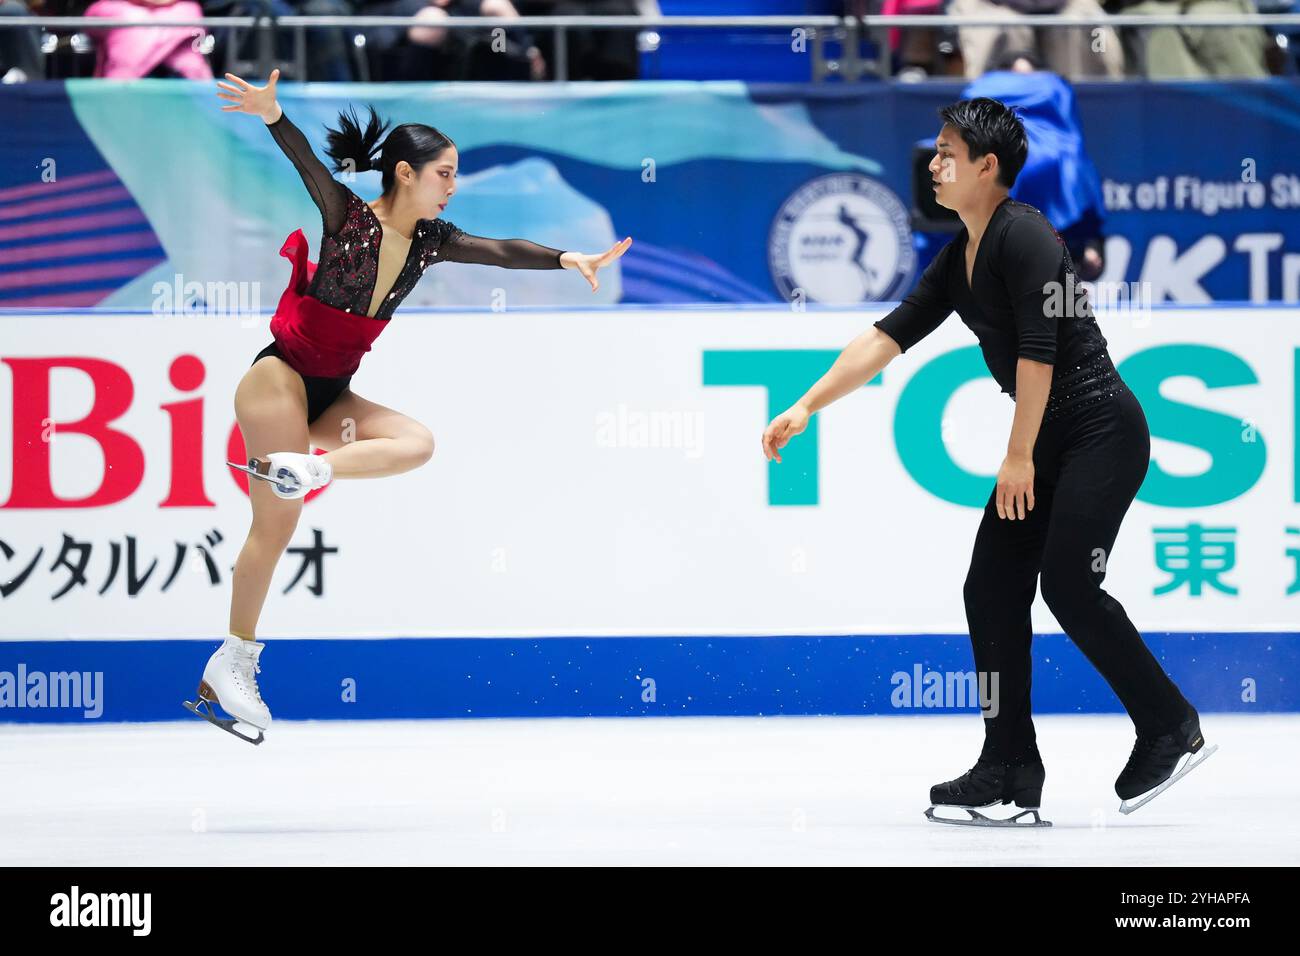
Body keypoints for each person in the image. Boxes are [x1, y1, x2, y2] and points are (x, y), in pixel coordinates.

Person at [761, 97, 1212, 822]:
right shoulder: (960, 256)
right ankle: (1009, 761)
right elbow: (887, 336)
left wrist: (1018, 456)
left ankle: (1169, 726)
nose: (931, 163)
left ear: (986, 166)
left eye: (945, 152)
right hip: (1047, 440)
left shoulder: (1026, 236)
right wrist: (806, 404)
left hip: (1100, 431)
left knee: (1069, 586)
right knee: (991, 589)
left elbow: (1038, 354)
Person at [186, 68, 632, 744]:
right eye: (445, 174)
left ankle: (310, 469)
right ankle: (233, 659)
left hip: (331, 393)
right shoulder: (347, 218)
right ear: (404, 173)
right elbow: (306, 162)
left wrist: (569, 258)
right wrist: (273, 114)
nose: (453, 186)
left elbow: (502, 251)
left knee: (417, 443)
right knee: (274, 529)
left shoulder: (430, 242)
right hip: (279, 379)